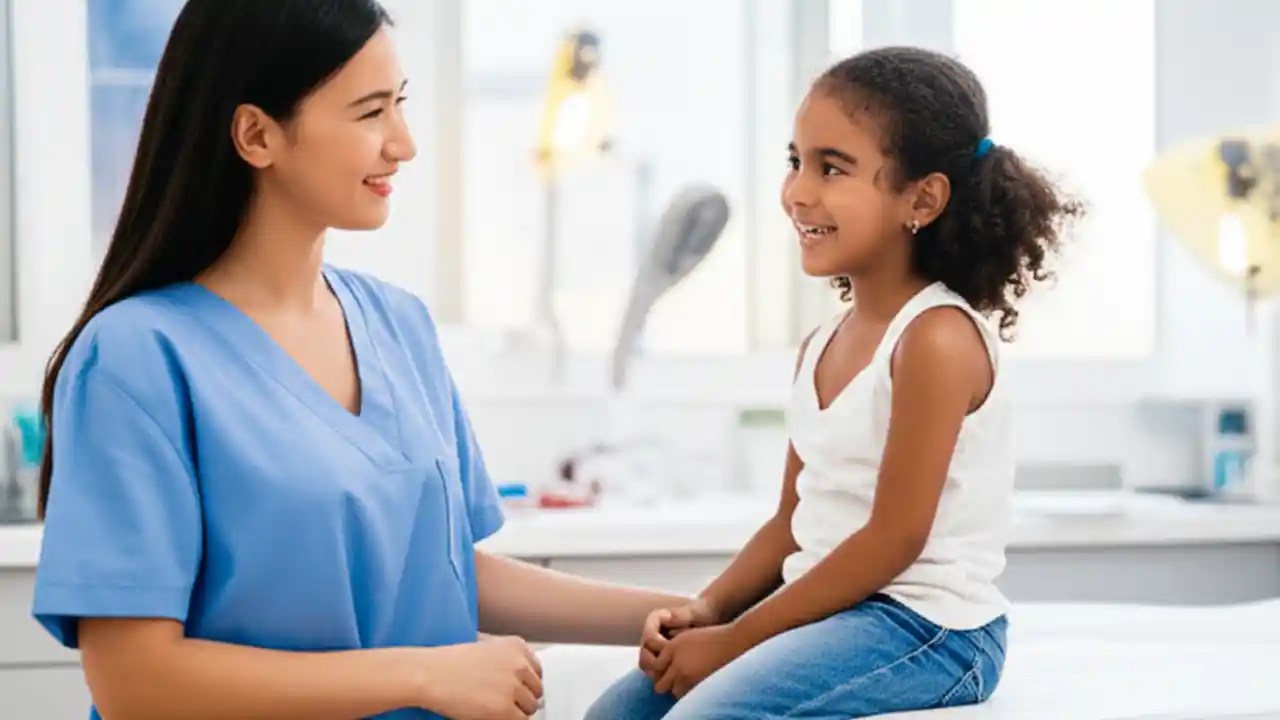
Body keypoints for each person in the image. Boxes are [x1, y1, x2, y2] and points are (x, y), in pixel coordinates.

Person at [31, 2, 702, 719]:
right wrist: (421, 677)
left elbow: (447, 575)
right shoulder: (135, 359)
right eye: (370, 112)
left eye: (400, 104)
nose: (403, 144)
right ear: (257, 134)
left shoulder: (398, 325)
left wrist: (690, 614)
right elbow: (136, 683)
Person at [586, 45, 1082, 719]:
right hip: (840, 609)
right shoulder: (821, 345)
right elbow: (793, 522)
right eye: (795, 161)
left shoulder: (936, 339)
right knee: (618, 713)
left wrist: (734, 642)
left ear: (923, 198)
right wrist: (705, 608)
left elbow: (893, 539)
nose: (797, 191)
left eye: (832, 167)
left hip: (929, 630)